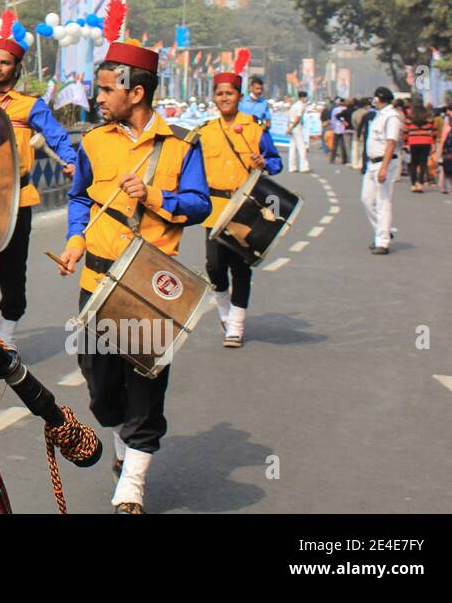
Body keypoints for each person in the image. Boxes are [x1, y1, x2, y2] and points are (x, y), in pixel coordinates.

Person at [55, 31, 211, 514]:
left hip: (150, 284)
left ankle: (132, 486)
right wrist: (76, 238)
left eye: (106, 90)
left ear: (135, 92)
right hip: (95, 282)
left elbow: (200, 204)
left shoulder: (182, 145)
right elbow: (80, 197)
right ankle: (125, 439)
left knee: (146, 380)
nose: (98, 99)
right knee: (100, 385)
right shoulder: (94, 142)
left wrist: (156, 197)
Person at [0, 37, 76, 361]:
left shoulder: (30, 105)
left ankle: (7, 334)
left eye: (5, 62)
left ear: (16, 69)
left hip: (17, 200)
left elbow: (58, 138)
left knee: (12, 272)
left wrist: (71, 162)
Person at [198, 71, 282, 348]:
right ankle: (223, 308)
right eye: (220, 94)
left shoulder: (255, 128)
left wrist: (264, 163)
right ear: (214, 97)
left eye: (230, 93)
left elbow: (275, 163)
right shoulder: (205, 131)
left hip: (245, 209)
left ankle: (236, 324)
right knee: (214, 266)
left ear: (239, 96)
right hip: (215, 208)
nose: (224, 98)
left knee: (241, 268)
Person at [361, 86, 403, 255]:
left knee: (383, 202)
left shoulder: (392, 117)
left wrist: (384, 168)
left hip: (383, 163)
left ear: (380, 99)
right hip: (372, 163)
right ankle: (386, 230)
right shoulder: (379, 115)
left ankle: (383, 241)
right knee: (366, 200)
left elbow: (391, 143)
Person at [403, 103, 437, 192]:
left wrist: (406, 142)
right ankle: (420, 183)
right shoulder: (429, 118)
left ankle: (413, 184)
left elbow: (405, 131)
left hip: (413, 142)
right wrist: (433, 143)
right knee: (423, 163)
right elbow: (434, 132)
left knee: (413, 163)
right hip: (426, 142)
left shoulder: (410, 118)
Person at [287, 90, 311, 172]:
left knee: (293, 147)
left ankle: (292, 167)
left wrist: (289, 127)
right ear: (303, 97)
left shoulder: (294, 105)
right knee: (301, 147)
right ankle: (304, 166)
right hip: (296, 126)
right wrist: (292, 127)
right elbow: (298, 118)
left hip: (291, 124)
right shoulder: (301, 105)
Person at [350, 98, 370, 168]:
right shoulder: (367, 113)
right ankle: (360, 164)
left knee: (354, 149)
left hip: (356, 132)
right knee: (362, 149)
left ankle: (354, 163)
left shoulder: (355, 113)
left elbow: (353, 124)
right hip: (364, 133)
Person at [329, 98, 350, 165]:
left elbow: (332, 119)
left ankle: (332, 159)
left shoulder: (335, 109)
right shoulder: (346, 109)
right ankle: (344, 159)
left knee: (334, 145)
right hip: (344, 129)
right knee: (343, 145)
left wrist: (332, 127)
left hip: (336, 129)